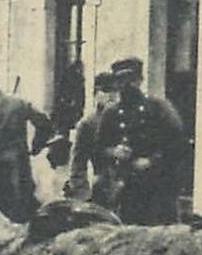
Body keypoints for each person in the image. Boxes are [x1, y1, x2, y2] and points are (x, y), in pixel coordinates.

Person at [92, 57, 186, 226]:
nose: (127, 86)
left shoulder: (159, 108)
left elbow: (178, 144)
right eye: (121, 81)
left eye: (132, 80)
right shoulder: (111, 113)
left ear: (140, 80)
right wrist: (114, 151)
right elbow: (98, 149)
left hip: (158, 187)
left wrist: (151, 160)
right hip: (126, 188)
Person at [0, 72, 54, 223]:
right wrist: (36, 146)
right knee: (23, 209)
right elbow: (44, 122)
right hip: (21, 165)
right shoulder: (19, 103)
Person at [67, 71, 119, 206]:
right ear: (96, 94)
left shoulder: (128, 119)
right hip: (104, 188)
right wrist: (82, 195)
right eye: (106, 91)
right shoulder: (88, 124)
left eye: (116, 91)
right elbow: (78, 163)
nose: (112, 96)